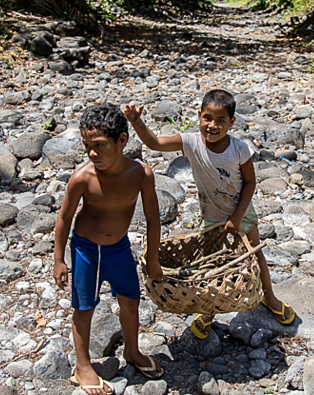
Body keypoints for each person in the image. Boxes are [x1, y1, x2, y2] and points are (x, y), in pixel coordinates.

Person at [124, 89, 295, 340]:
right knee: (214, 266)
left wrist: (237, 217)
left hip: (242, 215)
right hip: (210, 218)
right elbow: (155, 143)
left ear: (231, 122)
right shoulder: (191, 142)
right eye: (207, 118)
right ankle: (209, 310)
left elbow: (249, 183)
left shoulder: (239, 149)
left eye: (220, 121)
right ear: (199, 116)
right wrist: (137, 122)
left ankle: (268, 297)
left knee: (255, 257)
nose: (212, 126)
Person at [54, 103, 165, 395]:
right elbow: (64, 218)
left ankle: (132, 350)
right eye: (87, 146)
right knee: (84, 307)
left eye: (100, 146)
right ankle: (82, 366)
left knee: (130, 301)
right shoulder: (83, 178)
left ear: (122, 141)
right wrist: (58, 259)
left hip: (119, 249)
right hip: (85, 251)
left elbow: (153, 219)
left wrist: (152, 259)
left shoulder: (140, 174)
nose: (92, 153)